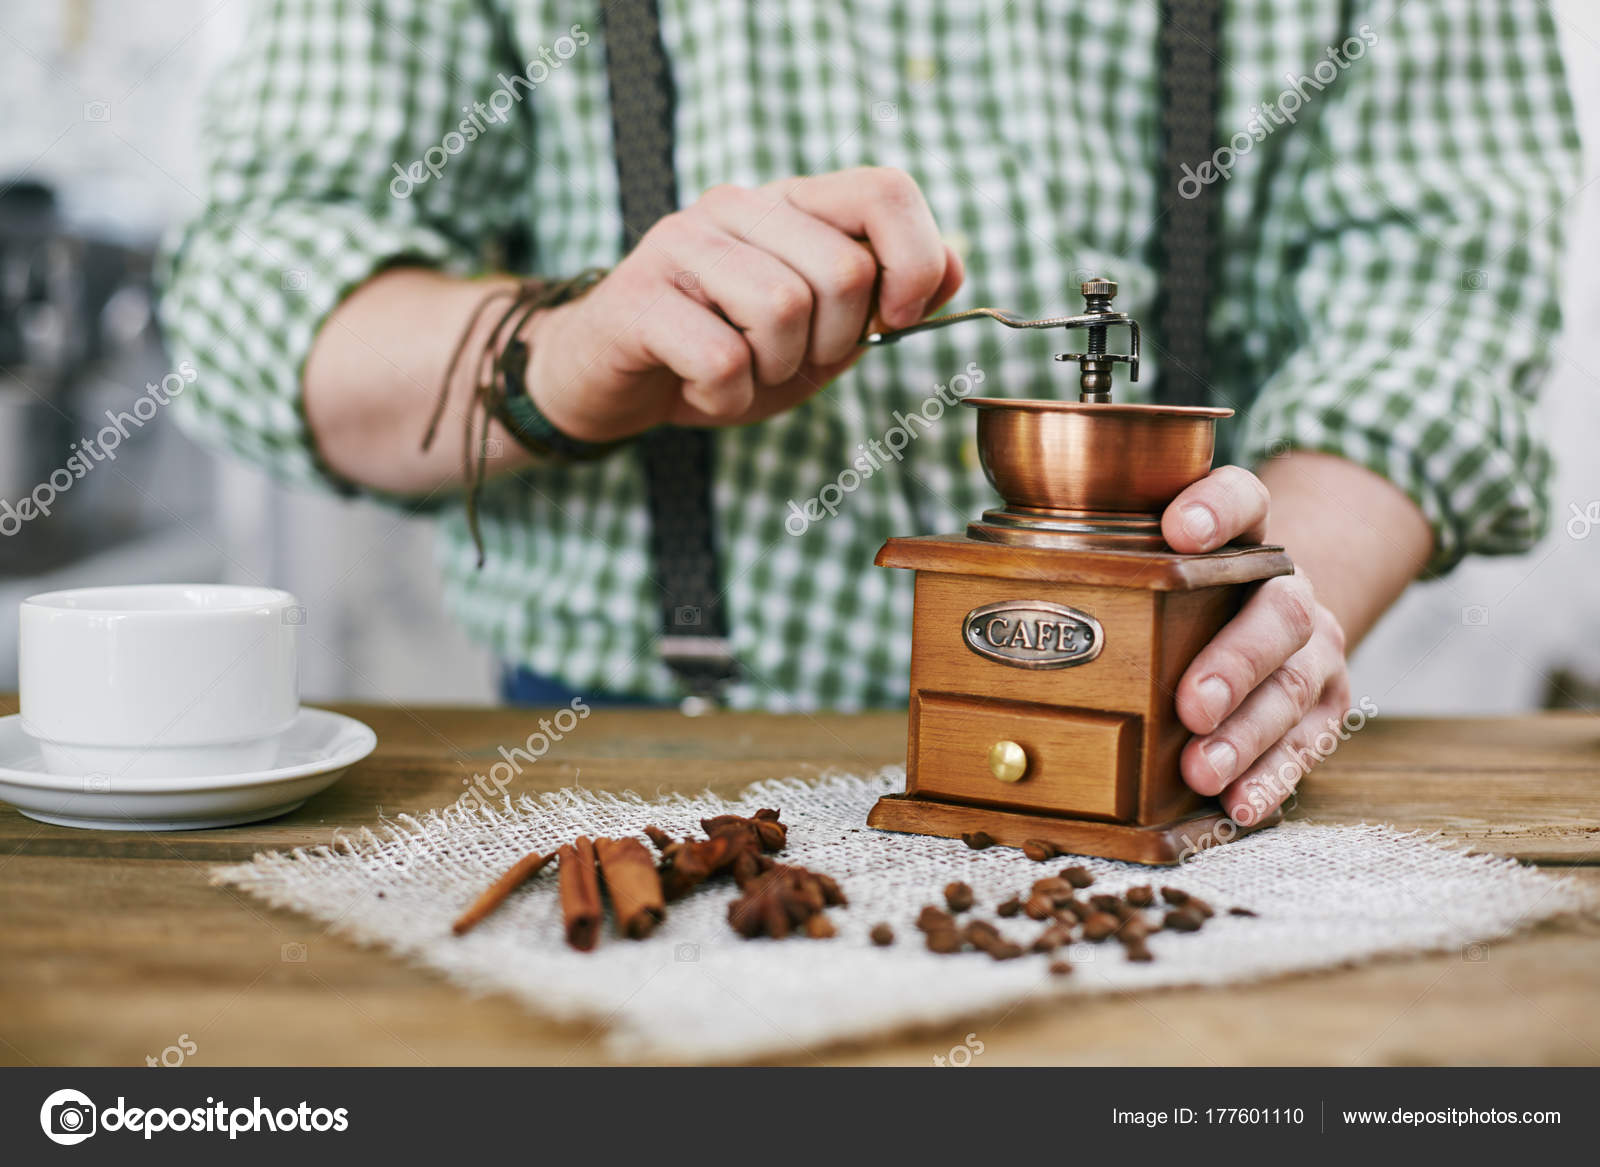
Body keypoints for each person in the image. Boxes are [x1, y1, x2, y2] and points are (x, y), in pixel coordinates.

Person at [159, 1, 1580, 824]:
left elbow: (1440, 284)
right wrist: (570, 348)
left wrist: (1253, 631)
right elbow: (256, 286)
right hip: (634, 755)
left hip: (1175, 759)